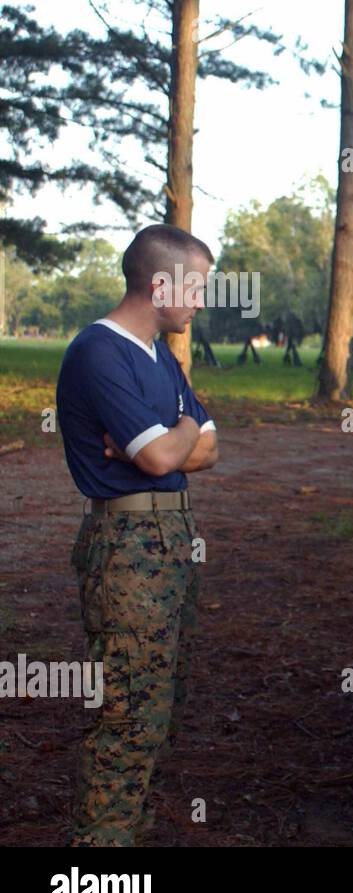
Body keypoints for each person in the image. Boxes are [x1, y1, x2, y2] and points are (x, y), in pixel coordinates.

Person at [55, 223, 220, 846]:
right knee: (128, 711)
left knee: (164, 704)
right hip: (126, 549)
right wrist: (172, 441)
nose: (202, 301)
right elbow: (160, 458)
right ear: (160, 284)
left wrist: (168, 438)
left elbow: (207, 445)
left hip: (172, 540)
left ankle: (126, 833)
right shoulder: (100, 350)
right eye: (197, 287)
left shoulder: (161, 357)